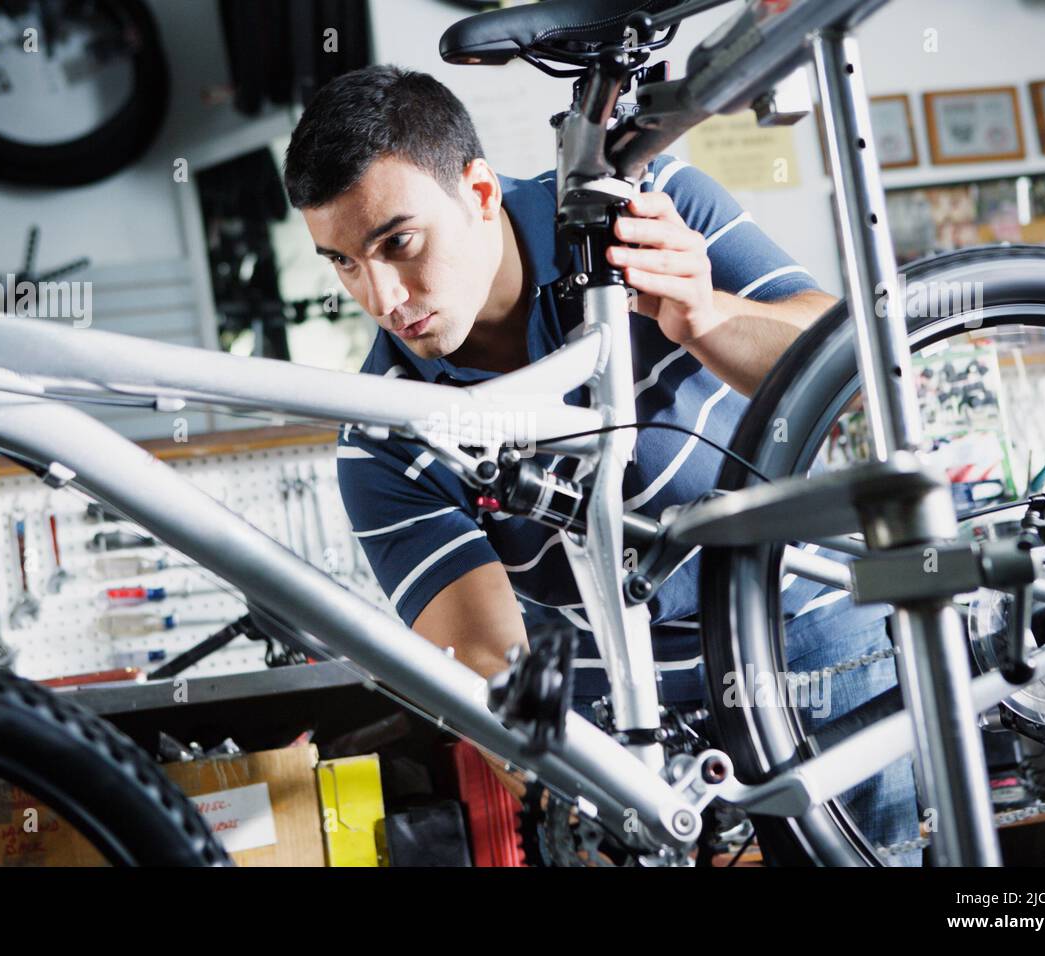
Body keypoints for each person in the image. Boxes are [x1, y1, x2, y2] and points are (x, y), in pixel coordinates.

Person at [283, 64, 921, 865]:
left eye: (398, 243)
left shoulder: (646, 207)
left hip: (806, 637)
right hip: (614, 708)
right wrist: (586, 796)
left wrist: (707, 314)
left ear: (479, 192)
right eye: (342, 262)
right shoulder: (385, 437)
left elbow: (856, 365)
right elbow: (489, 668)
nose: (380, 296)